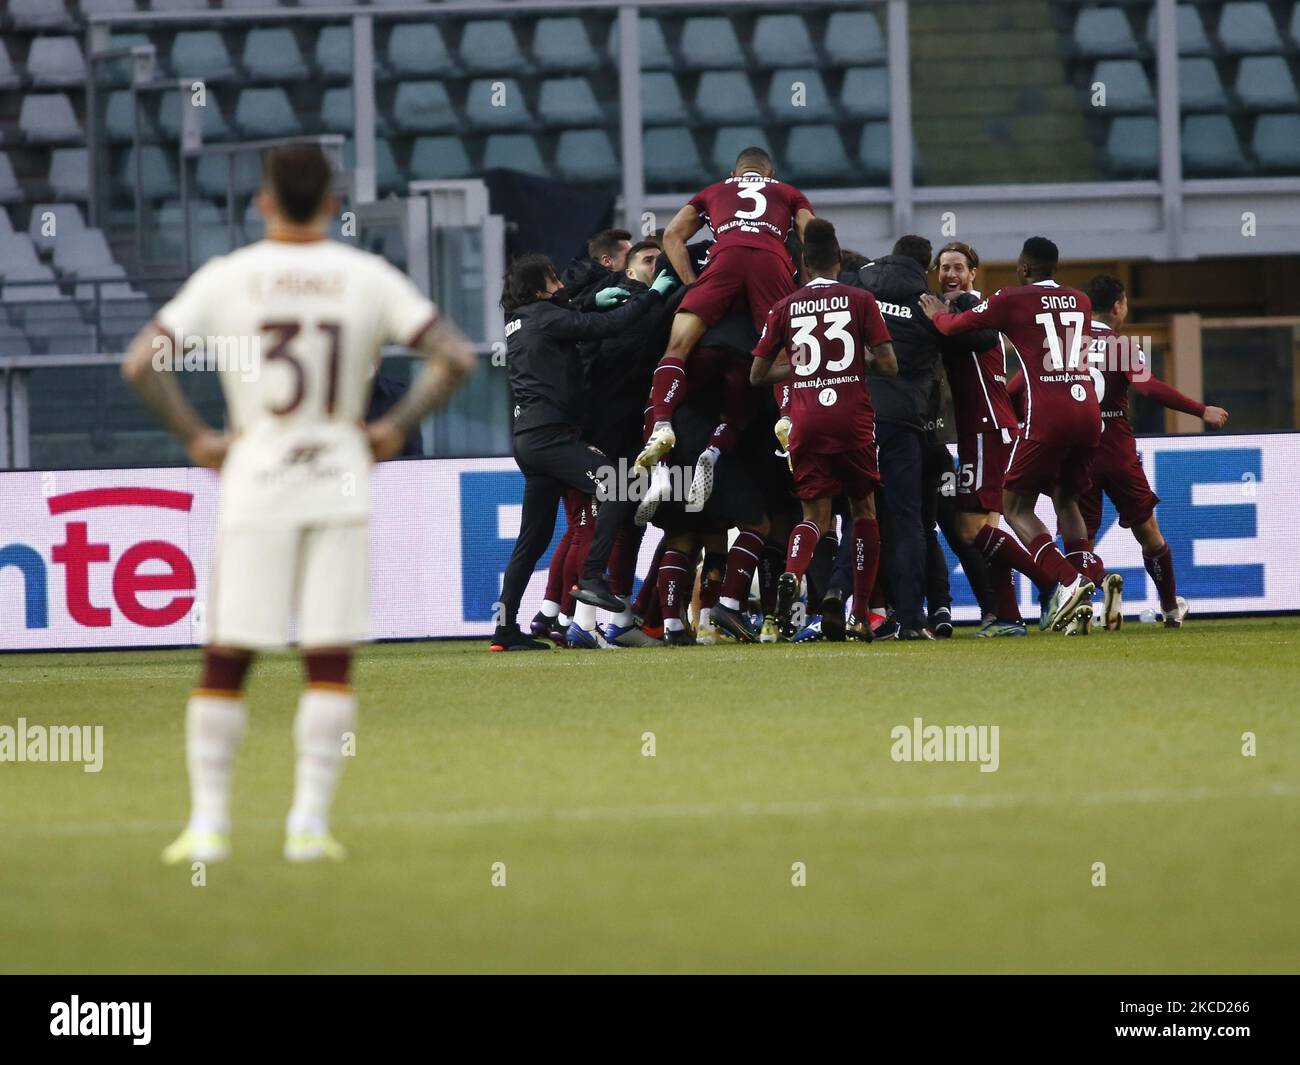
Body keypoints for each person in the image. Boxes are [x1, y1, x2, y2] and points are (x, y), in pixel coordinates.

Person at [121, 143, 475, 863]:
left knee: (226, 657)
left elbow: (140, 363)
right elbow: (456, 356)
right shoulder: (364, 275)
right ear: (333, 204)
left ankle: (208, 827)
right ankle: (308, 826)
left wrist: (198, 437)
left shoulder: (229, 277)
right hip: (339, 475)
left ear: (263, 200)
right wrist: (392, 428)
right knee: (328, 660)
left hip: (257, 475)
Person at [492, 253, 677, 651]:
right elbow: (608, 326)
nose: (561, 286)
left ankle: (504, 629)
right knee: (618, 485)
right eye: (553, 280)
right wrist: (652, 297)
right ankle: (593, 578)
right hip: (552, 438)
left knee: (533, 540)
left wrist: (589, 302)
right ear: (539, 288)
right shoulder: (544, 316)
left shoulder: (524, 319)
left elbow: (571, 317)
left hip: (531, 439)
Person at [920, 236, 1099, 633]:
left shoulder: (991, 306)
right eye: (943, 267)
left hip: (988, 426)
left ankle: (1057, 581)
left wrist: (933, 315)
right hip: (1042, 417)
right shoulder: (1077, 301)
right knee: (998, 523)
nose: (950, 274)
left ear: (972, 274)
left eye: (958, 267)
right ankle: (1008, 616)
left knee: (974, 527)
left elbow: (957, 329)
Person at [741, 219, 898, 641]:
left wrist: (803, 367)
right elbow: (889, 365)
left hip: (805, 421)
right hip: (852, 421)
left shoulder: (785, 306)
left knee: (814, 517)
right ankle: (861, 613)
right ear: (840, 259)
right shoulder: (861, 299)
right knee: (863, 510)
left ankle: (793, 575)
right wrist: (850, 362)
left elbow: (757, 375)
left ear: (803, 264)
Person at [636, 147, 813, 500]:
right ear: (769, 172)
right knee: (784, 352)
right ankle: (789, 420)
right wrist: (806, 287)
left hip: (725, 256)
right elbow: (815, 237)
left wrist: (692, 284)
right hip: (772, 260)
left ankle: (662, 424)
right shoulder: (789, 193)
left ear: (736, 172)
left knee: (678, 349)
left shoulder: (714, 190)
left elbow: (671, 235)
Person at [1075, 275, 1229, 629]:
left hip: (1078, 455)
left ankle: (1079, 606)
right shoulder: (1123, 347)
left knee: (1080, 539)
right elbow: (1149, 387)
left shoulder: (1066, 346)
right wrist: (1199, 410)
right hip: (1117, 455)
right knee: (1148, 533)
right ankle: (1170, 609)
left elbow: (1020, 386)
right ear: (1118, 306)